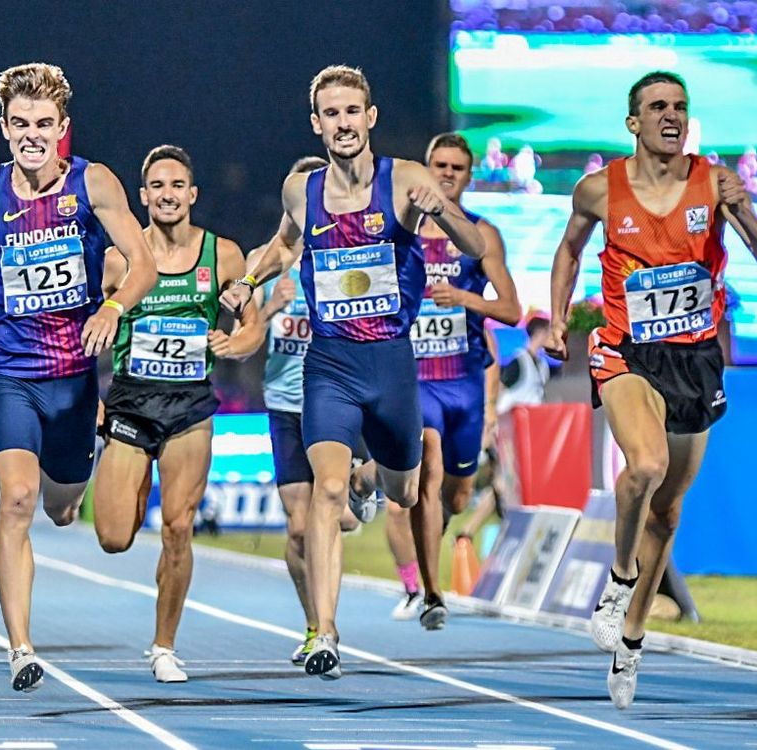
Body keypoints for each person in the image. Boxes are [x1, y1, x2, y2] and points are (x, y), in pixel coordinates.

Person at [220, 65, 486, 680]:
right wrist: (248, 282)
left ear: (370, 117)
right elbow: (284, 244)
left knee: (405, 491)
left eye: (351, 112)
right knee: (327, 490)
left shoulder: (407, 179)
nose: (342, 124)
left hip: (391, 364)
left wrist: (442, 212)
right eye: (331, 114)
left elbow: (474, 247)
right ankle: (325, 632)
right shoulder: (301, 189)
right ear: (317, 124)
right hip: (331, 364)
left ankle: (372, 481)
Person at [545, 70, 757, 709]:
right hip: (625, 352)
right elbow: (569, 251)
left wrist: (742, 211)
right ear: (633, 122)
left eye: (679, 106)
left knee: (668, 509)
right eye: (657, 106)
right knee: (645, 466)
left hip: (696, 359)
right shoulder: (598, 189)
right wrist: (557, 318)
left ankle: (631, 639)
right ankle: (619, 579)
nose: (670, 115)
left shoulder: (714, 183)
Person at [0, 62, 159, 692]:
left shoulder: (94, 183)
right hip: (10, 377)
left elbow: (142, 264)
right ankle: (21, 648)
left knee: (59, 507)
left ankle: (74, 486)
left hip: (73, 383)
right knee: (17, 498)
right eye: (21, 123)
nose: (32, 135)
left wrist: (113, 308)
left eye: (44, 124)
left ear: (62, 127)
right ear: (5, 127)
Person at [92, 145, 263, 683]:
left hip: (189, 404)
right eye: (158, 187)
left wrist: (234, 344)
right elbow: (85, 330)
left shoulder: (224, 256)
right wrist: (90, 397)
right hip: (131, 401)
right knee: (114, 537)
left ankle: (164, 646)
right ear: (143, 197)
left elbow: (253, 327)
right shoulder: (119, 259)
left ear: (192, 194)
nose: (168, 195)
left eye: (176, 186)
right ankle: (138, 474)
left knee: (178, 527)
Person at [383, 133, 521, 630]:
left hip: (464, 382)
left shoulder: (483, 235)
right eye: (438, 165)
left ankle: (421, 527)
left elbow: (511, 310)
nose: (446, 174)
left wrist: (465, 299)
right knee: (430, 466)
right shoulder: (399, 231)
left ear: (468, 176)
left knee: (457, 496)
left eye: (456, 167)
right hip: (416, 379)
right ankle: (432, 593)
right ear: (426, 168)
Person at [252, 155, 380, 666]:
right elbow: (244, 337)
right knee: (299, 528)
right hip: (285, 404)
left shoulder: (351, 253)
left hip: (337, 398)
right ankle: (317, 628)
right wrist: (269, 308)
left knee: (337, 515)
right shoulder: (266, 261)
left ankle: (362, 485)